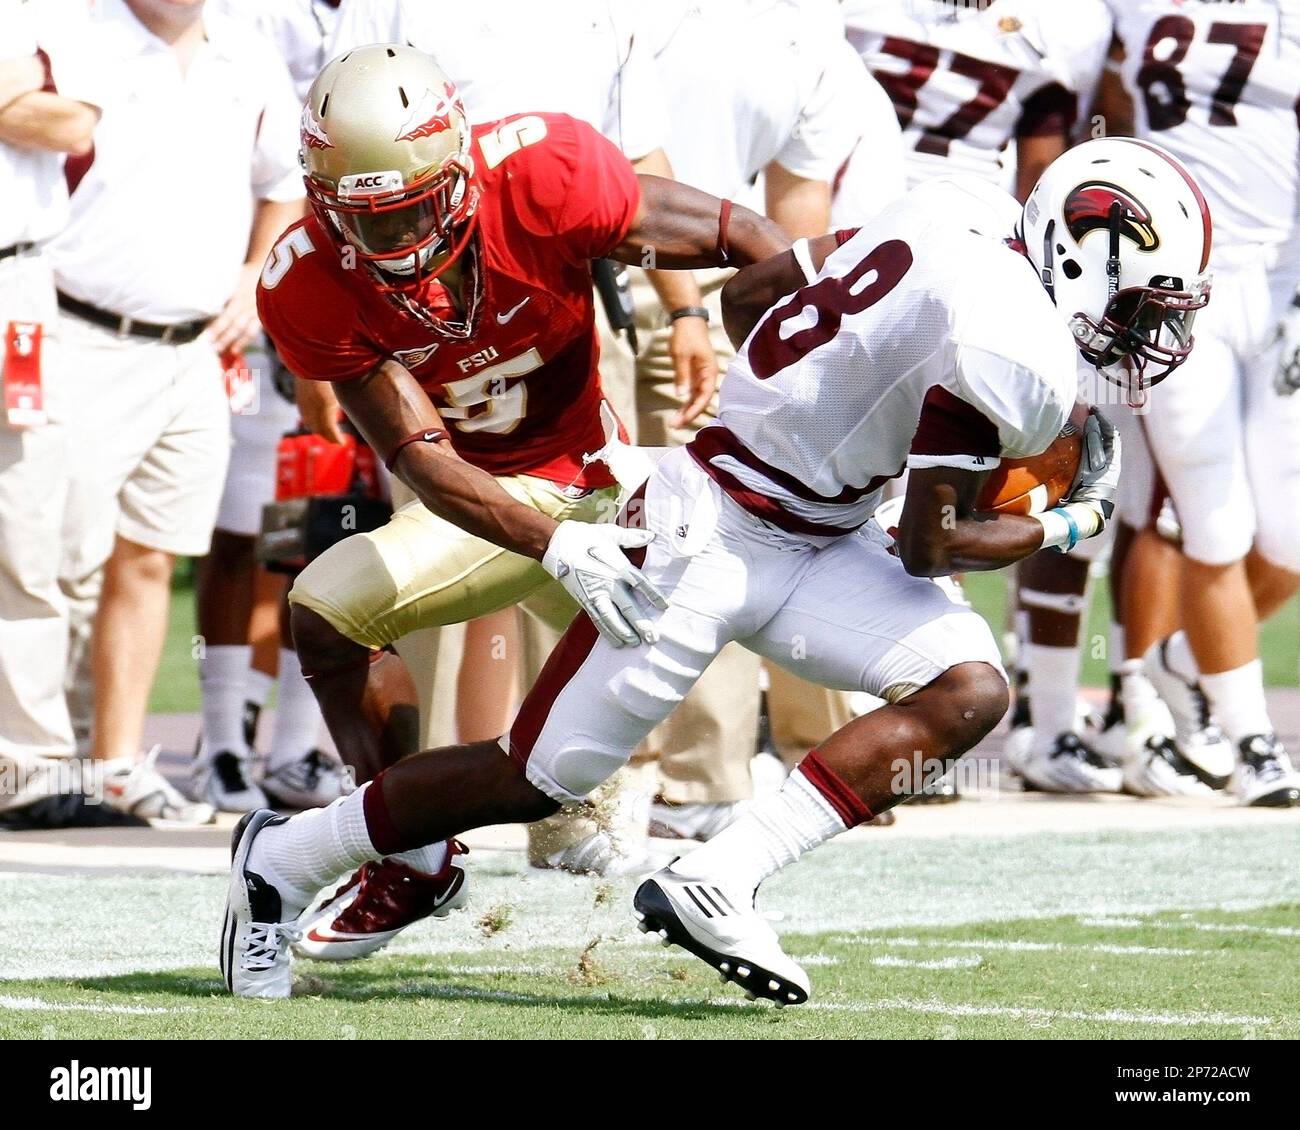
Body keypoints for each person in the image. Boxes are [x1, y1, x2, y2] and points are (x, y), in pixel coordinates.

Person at [220, 135, 1212, 1000]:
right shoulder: (1019, 350)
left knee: (965, 687)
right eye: (1140, 305)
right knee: (539, 775)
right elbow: (931, 543)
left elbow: (751, 290)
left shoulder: (952, 202)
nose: (1143, 335)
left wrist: (821, 399)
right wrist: (1072, 518)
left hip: (817, 530)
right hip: (712, 527)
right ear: (1085, 255)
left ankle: (722, 876)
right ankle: (283, 854)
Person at [253, 45, 788, 962]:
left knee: (573, 771)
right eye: (369, 222)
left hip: (592, 475)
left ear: (459, 167)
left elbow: (750, 237)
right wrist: (550, 544)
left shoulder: (545, 174)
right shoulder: (305, 279)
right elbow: (421, 461)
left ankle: (647, 808)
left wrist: (799, 380)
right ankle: (410, 851)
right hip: (490, 497)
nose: (399, 244)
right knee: (326, 611)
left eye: (417, 208)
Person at [839, 0, 1122, 796]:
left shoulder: (1060, 27)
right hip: (907, 252)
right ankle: (897, 710)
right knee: (904, 496)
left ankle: (922, 710)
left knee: (923, 491)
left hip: (918, 254)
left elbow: (1046, 185)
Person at [47, 0, 304, 825]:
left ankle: (116, 765)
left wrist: (256, 271)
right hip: (76, 327)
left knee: (153, 557)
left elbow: (285, 184)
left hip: (200, 349)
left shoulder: (249, 50)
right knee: (58, 558)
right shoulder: (75, 38)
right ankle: (39, 762)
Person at [1103, 0, 1300, 806]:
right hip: (1179, 276)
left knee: (1288, 540)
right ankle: (1249, 737)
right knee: (1214, 516)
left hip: (1286, 280)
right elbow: (1102, 117)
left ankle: (1185, 658)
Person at [0, 0, 109, 828]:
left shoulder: (58, 13)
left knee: (31, 529)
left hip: (20, 283)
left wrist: (35, 104)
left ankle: (29, 764)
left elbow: (72, 123)